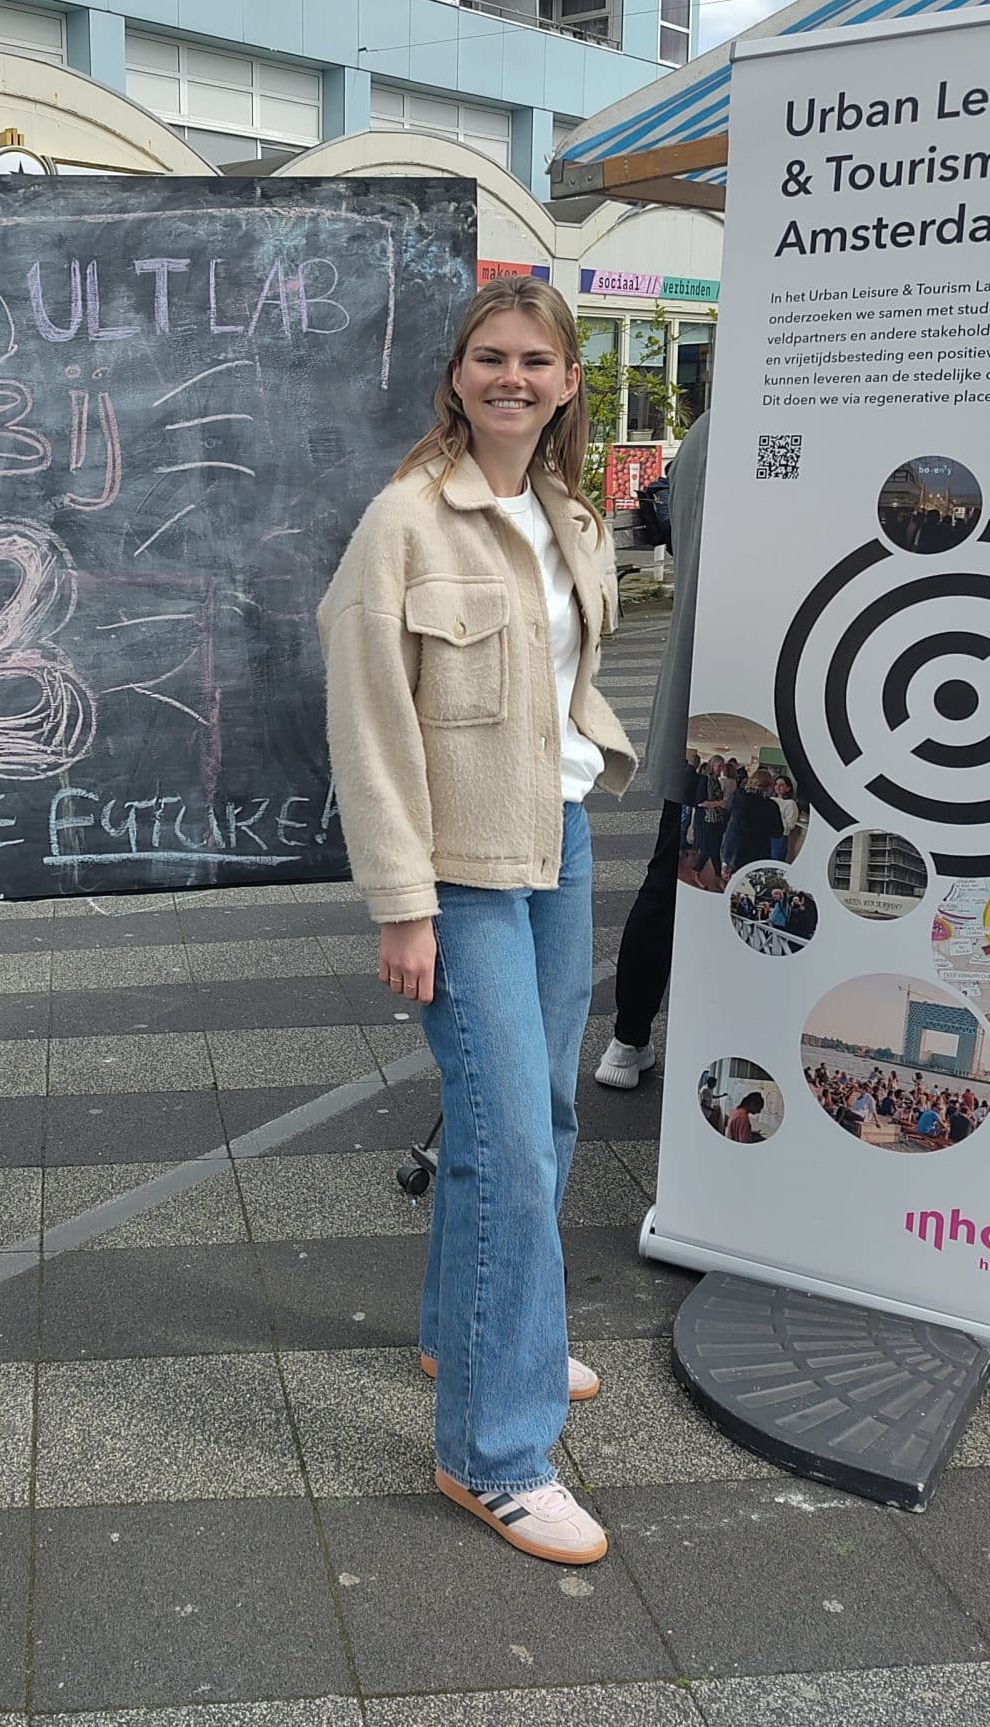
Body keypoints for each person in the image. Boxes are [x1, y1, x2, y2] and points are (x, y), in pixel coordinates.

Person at [318, 275, 636, 1565]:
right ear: (457, 376)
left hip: (551, 838)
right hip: (456, 866)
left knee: (541, 1114)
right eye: (489, 357)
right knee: (504, 1131)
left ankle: (469, 1332)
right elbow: (369, 727)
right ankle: (493, 1452)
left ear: (566, 384)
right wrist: (403, 904)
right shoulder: (404, 521)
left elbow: (565, 679)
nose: (512, 377)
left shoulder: (565, 510)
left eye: (536, 361)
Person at [596, 416, 710, 1090]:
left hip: (695, 688)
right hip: (763, 699)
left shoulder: (704, 432)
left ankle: (626, 1039)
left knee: (672, 872)